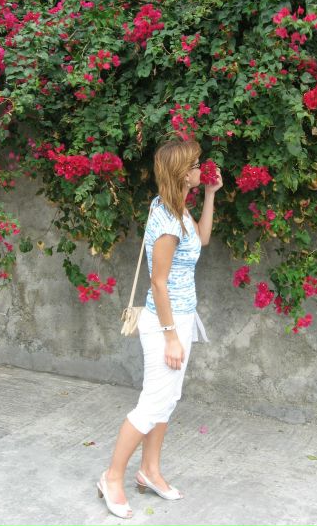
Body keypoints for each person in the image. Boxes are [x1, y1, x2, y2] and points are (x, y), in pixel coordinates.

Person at [97, 138, 223, 518]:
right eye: (196, 165)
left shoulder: (175, 207)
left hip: (181, 317)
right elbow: (158, 282)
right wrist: (171, 337)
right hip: (164, 323)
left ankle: (149, 471)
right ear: (182, 173)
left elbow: (202, 239)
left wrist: (210, 195)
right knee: (152, 403)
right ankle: (111, 477)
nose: (201, 168)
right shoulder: (167, 221)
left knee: (167, 399)